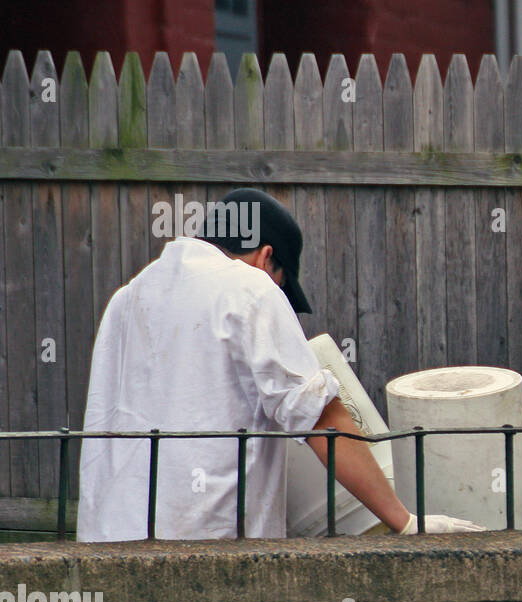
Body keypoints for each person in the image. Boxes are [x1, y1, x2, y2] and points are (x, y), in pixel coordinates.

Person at [77, 187, 483, 541]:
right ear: (265, 256)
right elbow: (321, 420)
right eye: (283, 284)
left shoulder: (126, 299)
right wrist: (405, 521)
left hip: (108, 542)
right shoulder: (249, 287)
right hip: (206, 548)